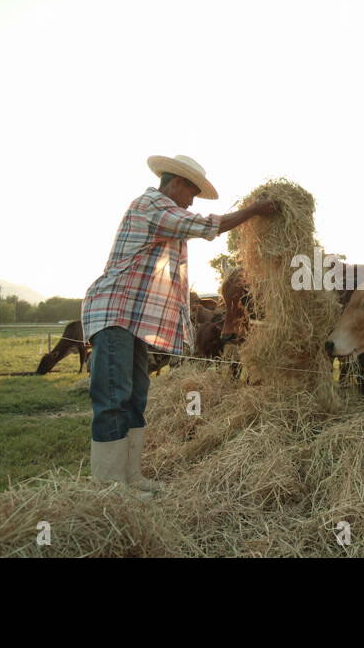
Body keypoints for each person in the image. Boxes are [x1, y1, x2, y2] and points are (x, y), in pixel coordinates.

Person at [81, 154, 275, 500]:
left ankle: (130, 476)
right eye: (192, 193)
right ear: (176, 183)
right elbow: (204, 226)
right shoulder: (151, 205)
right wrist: (254, 210)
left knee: (135, 398)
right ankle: (110, 491)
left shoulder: (165, 212)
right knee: (113, 398)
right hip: (114, 314)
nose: (192, 201)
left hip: (133, 320)